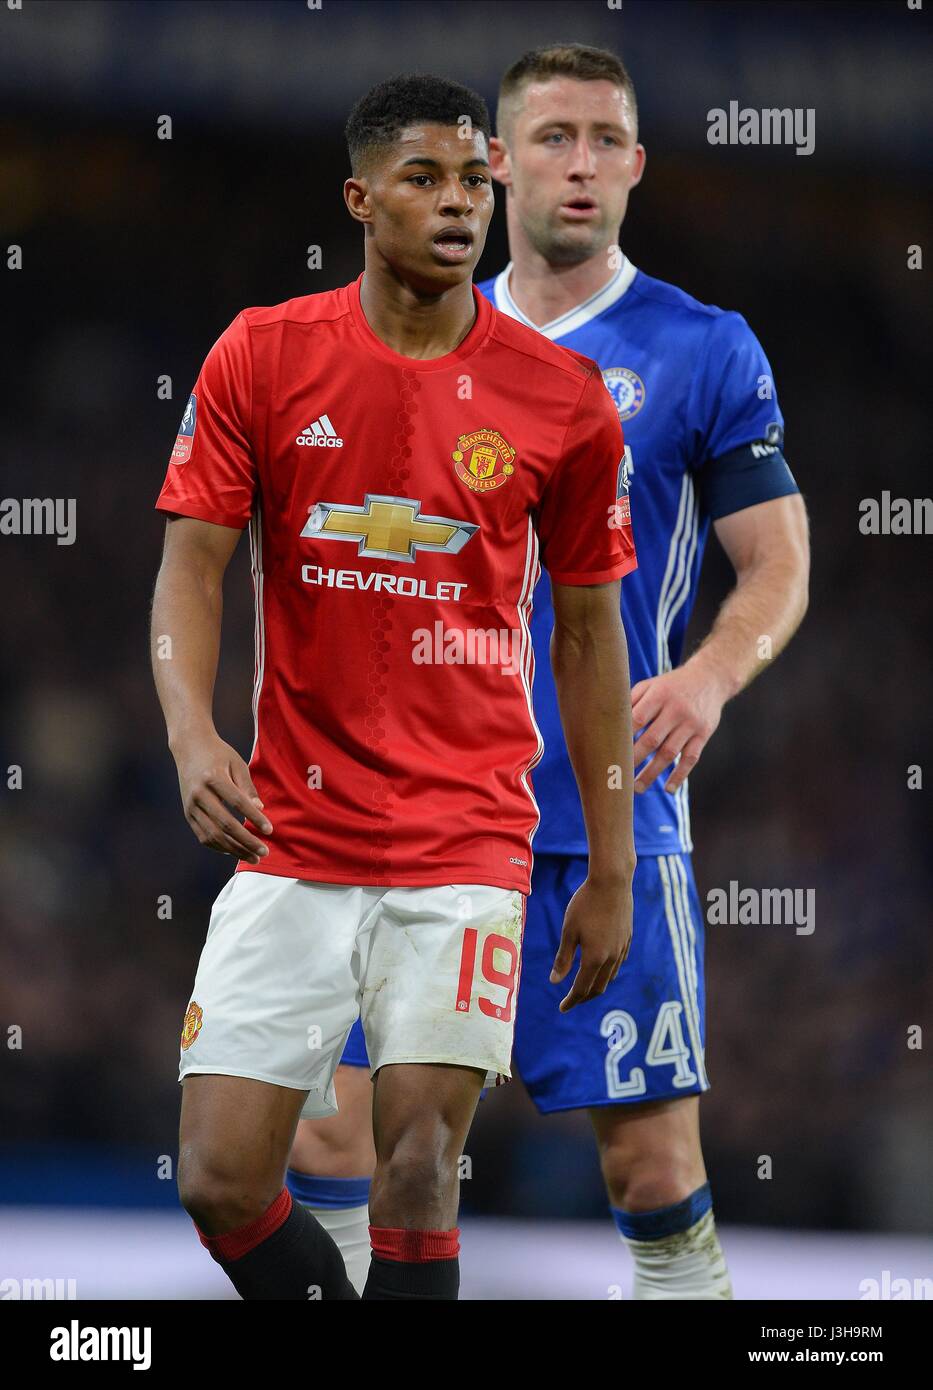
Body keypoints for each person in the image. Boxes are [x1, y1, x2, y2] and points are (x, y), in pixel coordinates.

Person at [287, 45, 810, 1301]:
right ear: (500, 164)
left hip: (603, 814)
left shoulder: (703, 347)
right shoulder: (409, 329)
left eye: (604, 141)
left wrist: (708, 679)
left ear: (635, 165)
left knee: (648, 1166)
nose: (581, 164)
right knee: (333, 1134)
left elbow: (779, 565)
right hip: (408, 811)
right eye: (553, 138)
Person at [150, 71, 637, 1302]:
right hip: (291, 830)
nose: (460, 202)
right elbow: (191, 571)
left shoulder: (562, 400)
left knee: (416, 1164)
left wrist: (614, 863)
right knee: (217, 1177)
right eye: (424, 178)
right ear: (361, 199)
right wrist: (192, 735)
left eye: (476, 178)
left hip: (465, 838)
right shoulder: (262, 354)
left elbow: (590, 642)